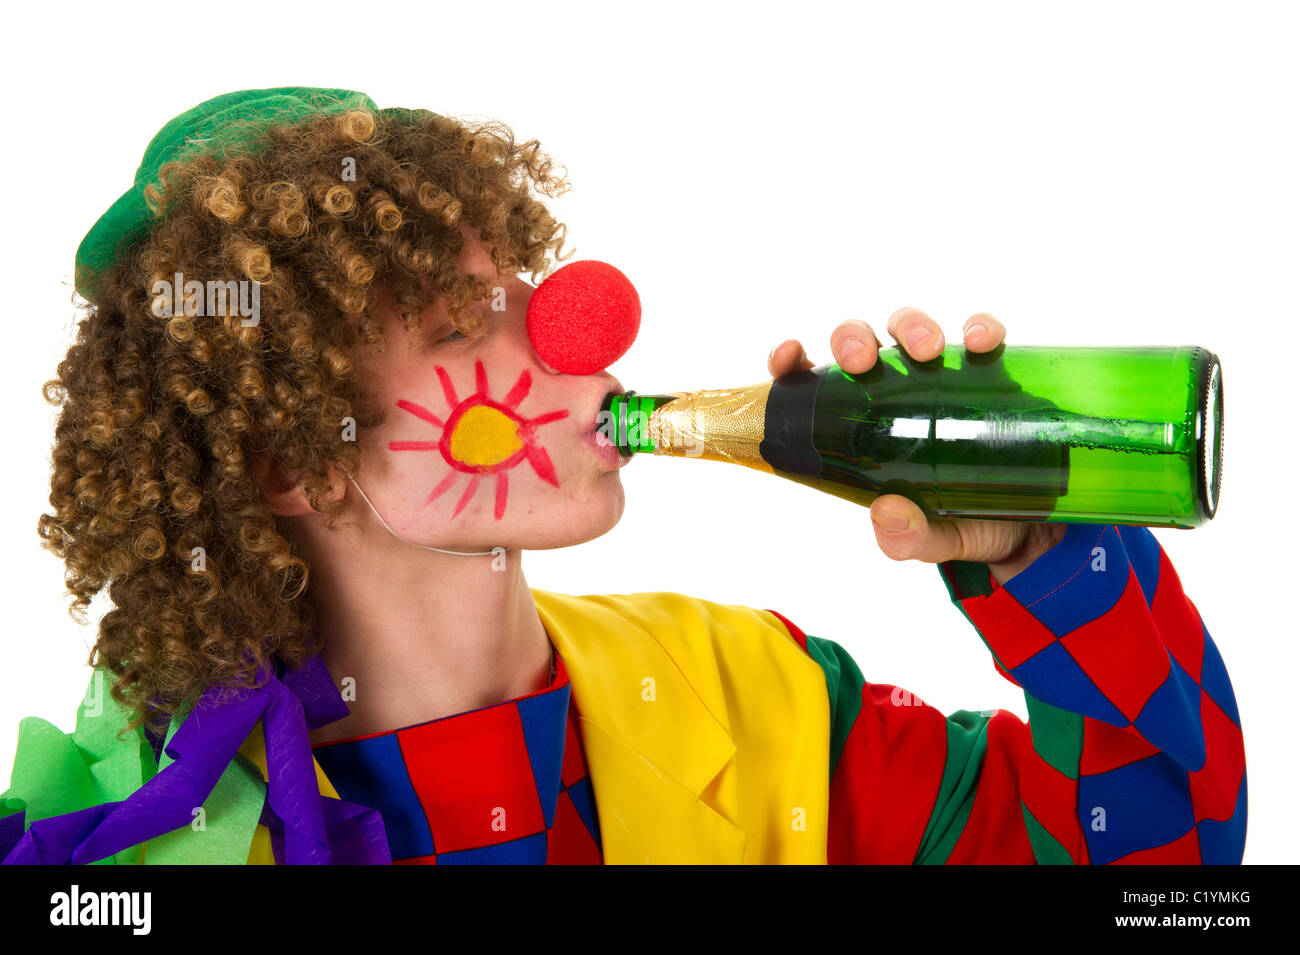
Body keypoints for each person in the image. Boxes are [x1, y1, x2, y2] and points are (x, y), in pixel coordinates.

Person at [0, 88, 1245, 864]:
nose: (578, 336)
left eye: (524, 293)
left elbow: (1160, 865)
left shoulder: (755, 695)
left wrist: (1038, 554)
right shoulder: (131, 857)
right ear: (290, 460)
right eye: (458, 325)